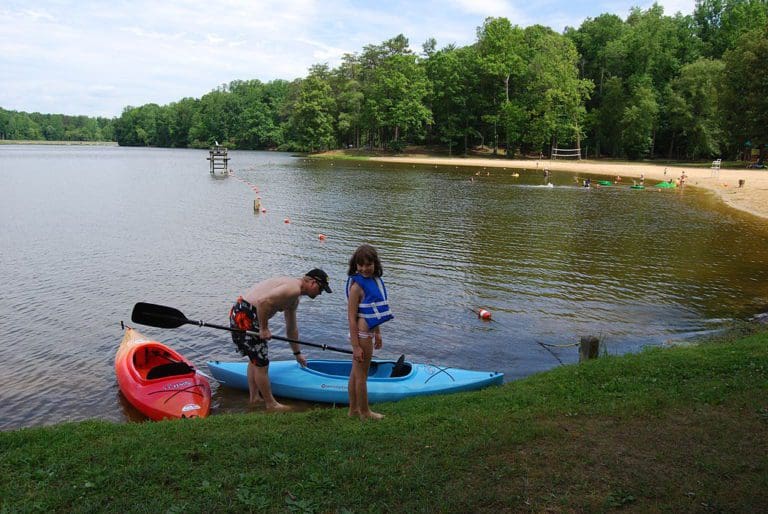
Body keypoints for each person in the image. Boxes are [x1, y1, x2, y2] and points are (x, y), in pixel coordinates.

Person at [229, 268, 332, 410]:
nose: (320, 293)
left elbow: (291, 328)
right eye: (321, 289)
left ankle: (254, 398)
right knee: (262, 363)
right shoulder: (293, 289)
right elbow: (262, 302)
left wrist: (297, 354)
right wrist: (263, 328)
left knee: (255, 359)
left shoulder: (294, 299)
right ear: (313, 282)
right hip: (246, 314)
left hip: (241, 311)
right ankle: (271, 404)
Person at [346, 244, 393, 420]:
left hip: (368, 332)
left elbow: (373, 312)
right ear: (355, 265)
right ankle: (365, 412)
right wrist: (356, 346)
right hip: (361, 335)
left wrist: (378, 332)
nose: (365, 269)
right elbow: (351, 318)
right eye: (361, 265)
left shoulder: (374, 281)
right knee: (361, 376)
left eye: (368, 264)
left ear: (375, 264)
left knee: (355, 373)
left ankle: (353, 410)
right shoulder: (356, 287)